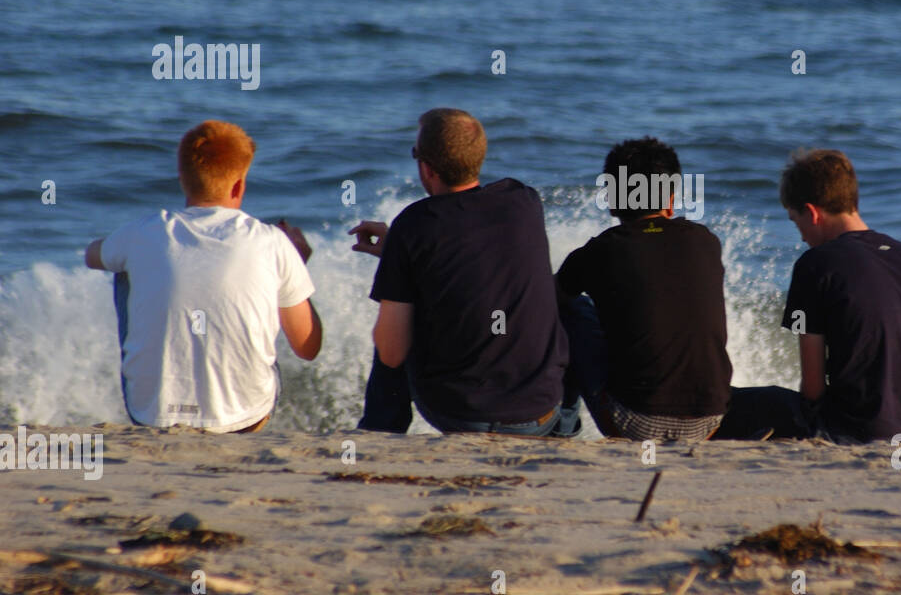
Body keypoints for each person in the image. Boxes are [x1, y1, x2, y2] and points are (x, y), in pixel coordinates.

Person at [85, 119, 321, 433]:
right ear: (239, 186)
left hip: (153, 415)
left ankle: (161, 389)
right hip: (245, 418)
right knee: (270, 274)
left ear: (183, 180)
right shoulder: (271, 241)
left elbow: (92, 256)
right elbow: (308, 347)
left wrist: (132, 249)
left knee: (123, 268)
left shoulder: (146, 230)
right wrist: (295, 264)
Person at [350, 108, 570, 436]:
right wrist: (399, 255)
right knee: (574, 305)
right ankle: (568, 422)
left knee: (393, 326)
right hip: (541, 412)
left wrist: (399, 257)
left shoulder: (413, 225)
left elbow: (394, 354)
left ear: (426, 167)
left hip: (462, 416)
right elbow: (479, 256)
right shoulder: (524, 200)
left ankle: (380, 432)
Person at [715, 149, 901, 442]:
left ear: (812, 213)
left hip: (853, 429)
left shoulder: (816, 264)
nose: (800, 236)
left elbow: (812, 388)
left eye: (796, 222)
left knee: (726, 404)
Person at [556, 137, 731, 441]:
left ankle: (560, 427)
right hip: (711, 419)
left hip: (637, 424)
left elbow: (547, 299)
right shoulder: (706, 241)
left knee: (572, 310)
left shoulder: (601, 251)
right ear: (671, 199)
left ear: (612, 199)